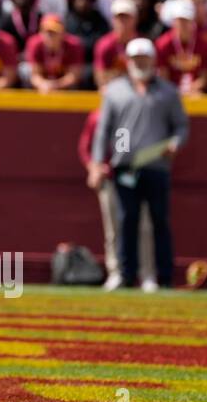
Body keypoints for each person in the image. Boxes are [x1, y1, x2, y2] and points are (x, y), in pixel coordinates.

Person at [89, 38, 188, 291]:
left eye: (145, 58)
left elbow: (181, 125)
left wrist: (175, 143)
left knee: (158, 221)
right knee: (126, 221)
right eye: (136, 59)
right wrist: (98, 162)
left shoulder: (167, 92)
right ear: (128, 61)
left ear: (153, 61)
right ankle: (124, 274)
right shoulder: (114, 91)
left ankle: (160, 276)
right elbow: (103, 131)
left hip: (156, 165)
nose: (140, 63)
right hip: (124, 166)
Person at [78, 109, 154, 290]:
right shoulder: (97, 116)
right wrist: (95, 167)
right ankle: (116, 272)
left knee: (143, 226)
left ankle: (147, 274)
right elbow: (86, 147)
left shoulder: (136, 113)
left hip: (135, 178)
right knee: (113, 228)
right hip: (110, 179)